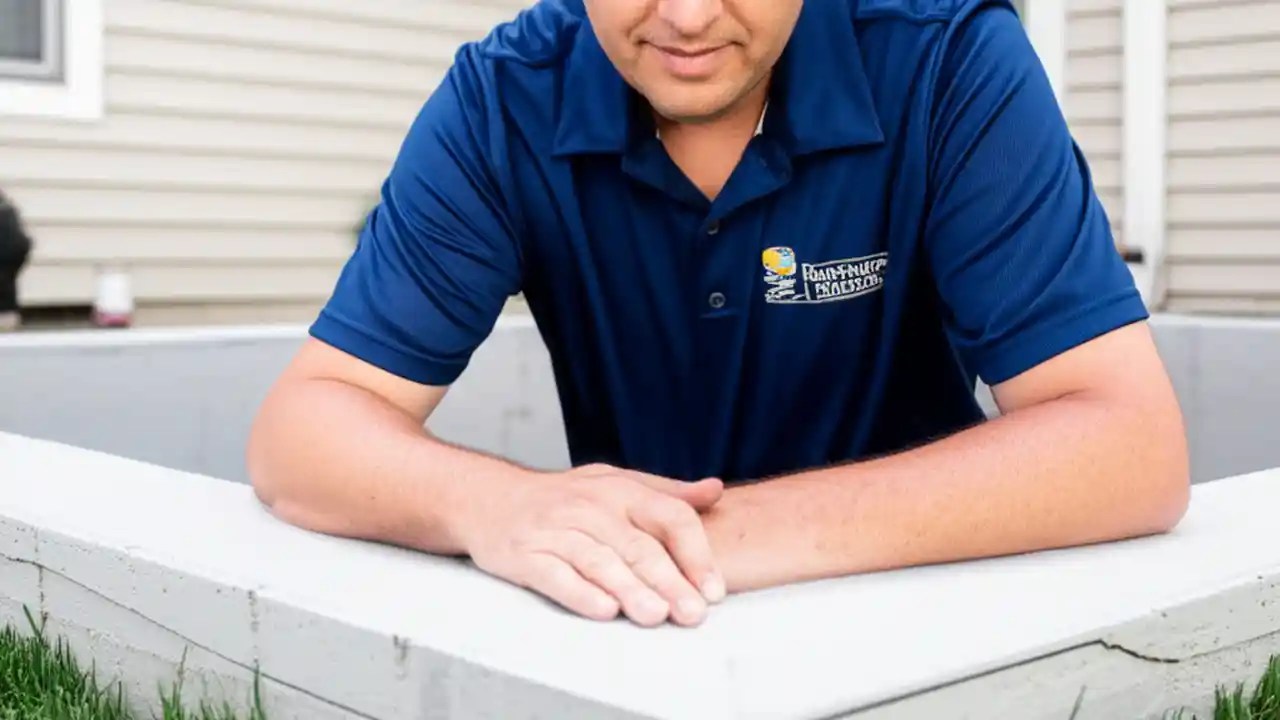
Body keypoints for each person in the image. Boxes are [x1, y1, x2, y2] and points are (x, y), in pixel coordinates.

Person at [247, 0, 1190, 628]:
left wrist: (688, 544)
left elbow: (1130, 445)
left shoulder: (947, 56)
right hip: (646, 653)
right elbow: (304, 431)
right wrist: (500, 507)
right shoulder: (504, 96)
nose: (690, 16)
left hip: (927, 627)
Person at [0, 189, 32, 331]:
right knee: (6, 279)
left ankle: (6, 319)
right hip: (16, 241)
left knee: (4, 276)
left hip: (7, 240)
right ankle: (9, 317)